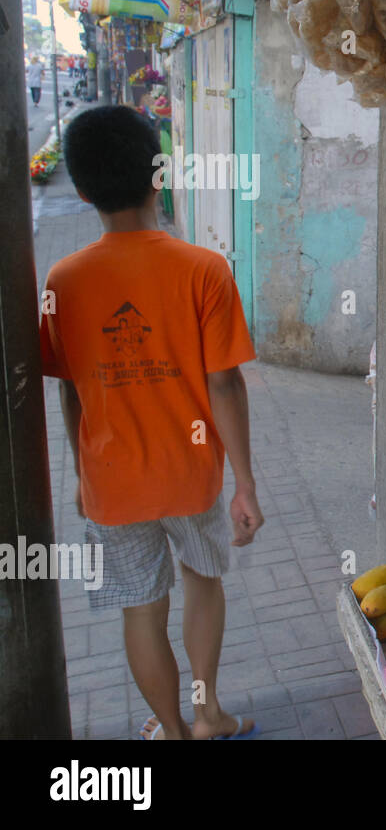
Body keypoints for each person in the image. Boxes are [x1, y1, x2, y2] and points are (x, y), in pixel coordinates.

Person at [39, 106, 264, 740]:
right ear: (157, 174)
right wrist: (244, 483)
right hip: (189, 474)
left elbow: (73, 392)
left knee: (141, 610)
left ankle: (169, 730)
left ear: (82, 191)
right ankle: (206, 713)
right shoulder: (203, 269)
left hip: (112, 483)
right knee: (203, 584)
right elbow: (225, 383)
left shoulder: (63, 280)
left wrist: (83, 474)